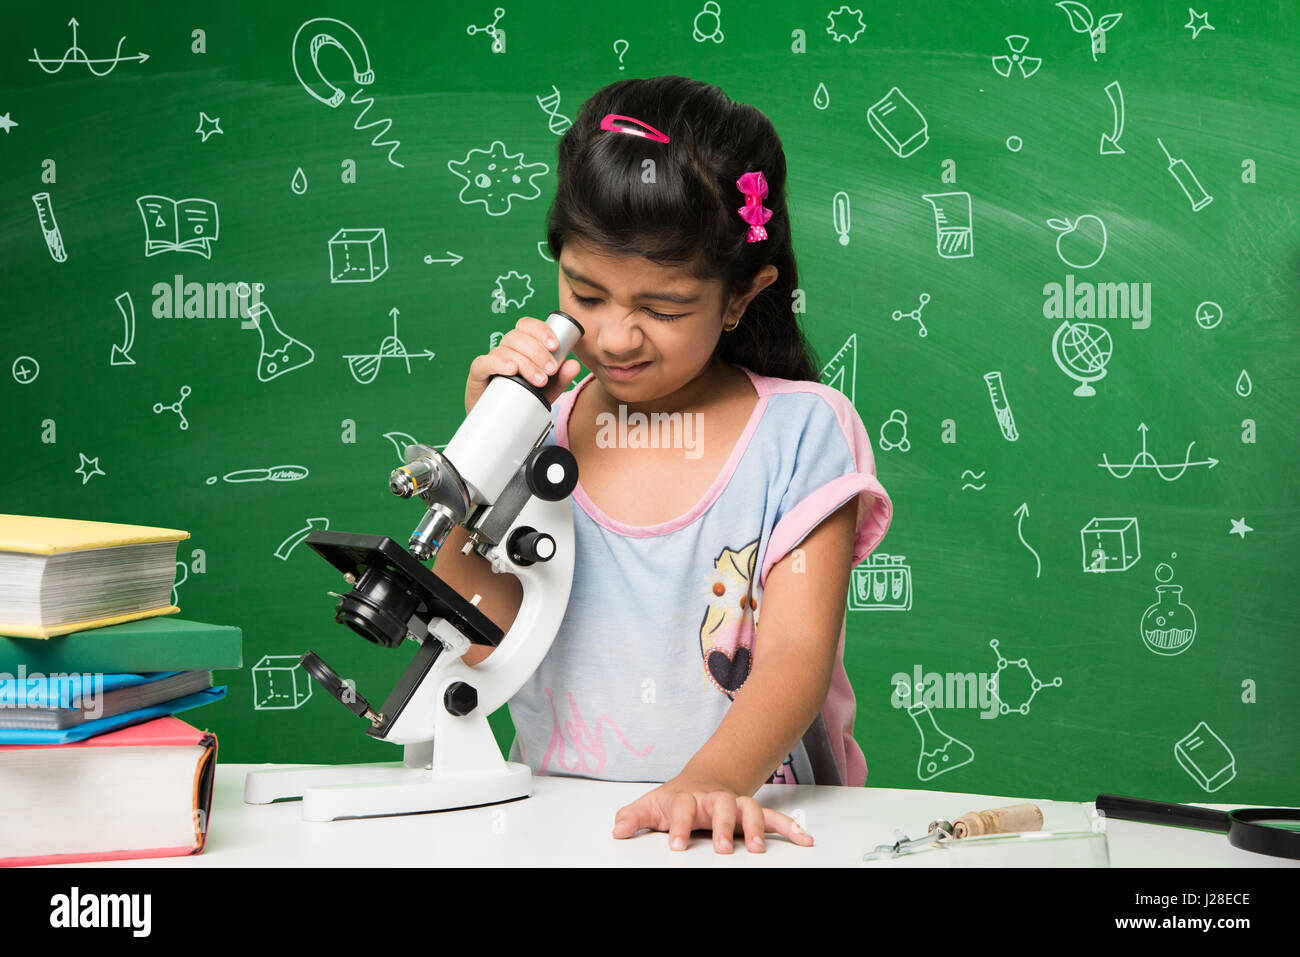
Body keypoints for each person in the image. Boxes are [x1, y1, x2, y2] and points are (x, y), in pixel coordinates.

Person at [445, 76, 892, 855]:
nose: (615, 337)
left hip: (748, 826)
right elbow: (475, 636)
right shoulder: (542, 429)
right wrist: (487, 449)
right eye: (585, 294)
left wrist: (712, 782)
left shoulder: (802, 432)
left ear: (740, 295)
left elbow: (794, 651)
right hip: (564, 830)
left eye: (662, 309)